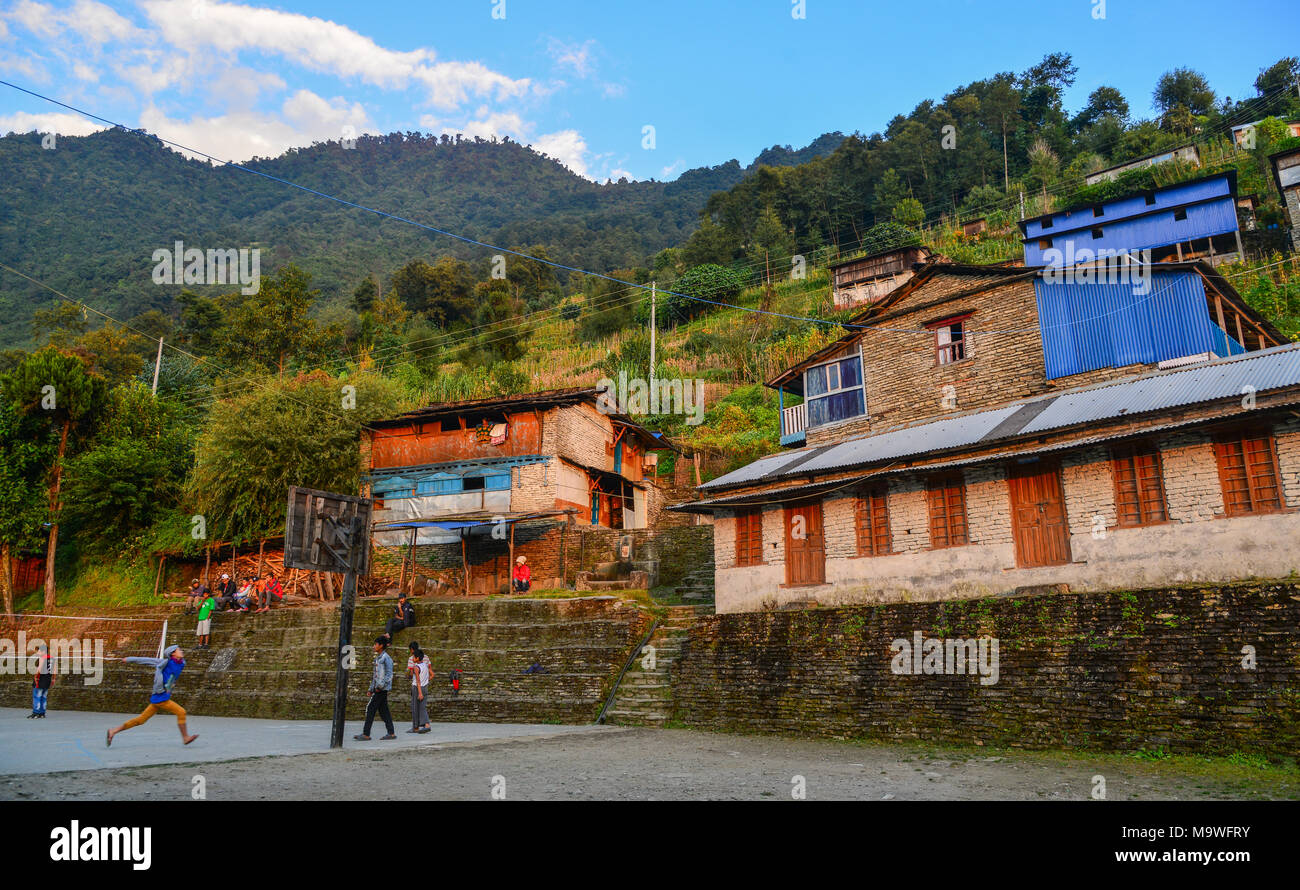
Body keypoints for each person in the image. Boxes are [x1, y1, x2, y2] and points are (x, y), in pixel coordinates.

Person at [107, 645, 198, 747]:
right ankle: (185, 738)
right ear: (173, 653)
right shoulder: (166, 662)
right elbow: (146, 660)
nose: (181, 651)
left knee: (141, 720)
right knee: (181, 712)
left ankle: (113, 731)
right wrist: (129, 659)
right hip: (160, 696)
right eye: (179, 650)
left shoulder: (181, 663)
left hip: (161, 696)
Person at [354, 637, 396, 741]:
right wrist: (371, 688)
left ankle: (366, 734)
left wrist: (379, 687)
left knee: (371, 709)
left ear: (381, 645)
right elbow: (376, 676)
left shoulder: (386, 658)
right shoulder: (378, 658)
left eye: (375, 644)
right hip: (378, 689)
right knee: (384, 711)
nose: (374, 646)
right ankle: (391, 733)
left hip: (381, 689)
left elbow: (389, 675)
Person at [406, 641, 431, 734]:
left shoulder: (416, 668)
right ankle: (422, 725)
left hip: (417, 688)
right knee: (422, 707)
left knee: (415, 707)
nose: (412, 658)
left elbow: (418, 681)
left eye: (413, 657)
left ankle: (419, 726)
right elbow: (428, 675)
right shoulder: (425, 665)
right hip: (425, 687)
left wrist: (419, 693)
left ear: (416, 658)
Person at [29, 644, 54, 718]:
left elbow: (39, 669)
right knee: (44, 697)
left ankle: (36, 713)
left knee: (37, 696)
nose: (38, 652)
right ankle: (42, 713)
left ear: (43, 651)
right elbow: (55, 670)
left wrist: (36, 676)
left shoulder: (42, 658)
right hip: (47, 680)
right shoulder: (52, 658)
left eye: (39, 651)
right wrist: (53, 679)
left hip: (40, 679)